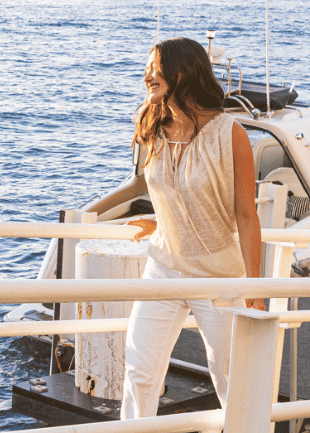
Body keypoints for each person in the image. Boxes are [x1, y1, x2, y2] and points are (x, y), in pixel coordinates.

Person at [117, 37, 265, 419]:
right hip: (163, 268)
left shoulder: (229, 133)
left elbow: (246, 216)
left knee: (230, 379)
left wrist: (255, 286)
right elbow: (157, 185)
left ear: (182, 72)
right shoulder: (151, 124)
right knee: (139, 372)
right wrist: (160, 221)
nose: (147, 74)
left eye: (155, 66)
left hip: (218, 275)